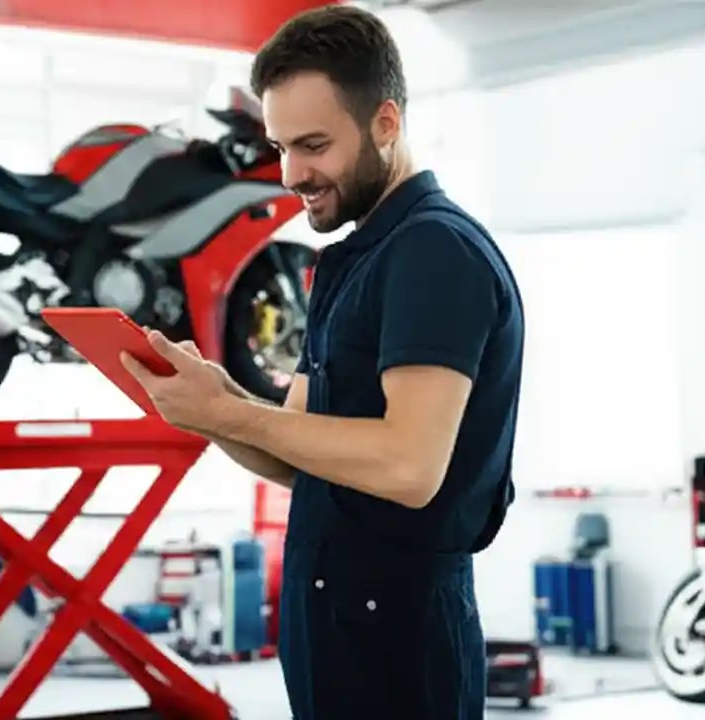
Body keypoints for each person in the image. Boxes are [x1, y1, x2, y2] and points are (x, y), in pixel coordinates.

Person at [120, 5, 524, 720]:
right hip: (339, 626)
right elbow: (298, 454)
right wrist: (213, 405)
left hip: (398, 637)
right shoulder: (354, 261)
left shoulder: (433, 253)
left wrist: (229, 414)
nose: (291, 174)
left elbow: (408, 466)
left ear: (385, 123)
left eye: (313, 145)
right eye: (281, 147)